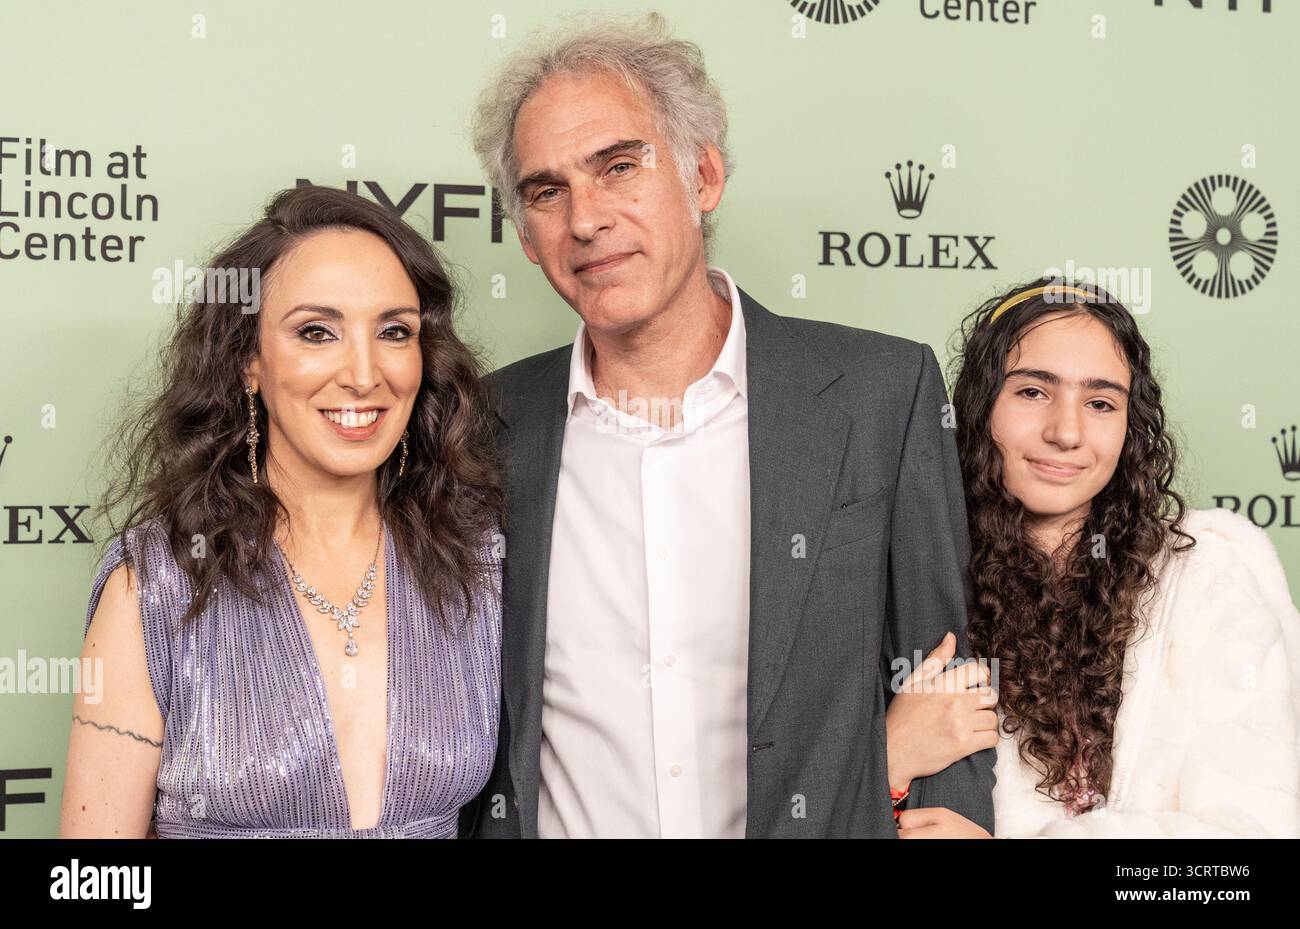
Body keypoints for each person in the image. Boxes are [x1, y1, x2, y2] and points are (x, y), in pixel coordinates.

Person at [459, 12, 995, 838]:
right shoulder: (481, 426)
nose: (587, 218)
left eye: (618, 166)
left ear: (703, 177)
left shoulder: (879, 395)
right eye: (547, 191)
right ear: (527, 236)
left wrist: (955, 816)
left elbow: (942, 661)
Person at [60, 185, 505, 838]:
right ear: (249, 361)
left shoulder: (476, 563)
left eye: (394, 331)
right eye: (316, 331)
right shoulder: (155, 586)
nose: (363, 372)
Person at [884, 278, 1300, 838]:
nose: (1066, 432)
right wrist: (886, 760)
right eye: (1033, 392)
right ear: (980, 406)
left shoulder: (1204, 584)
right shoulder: (904, 579)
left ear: (1130, 429)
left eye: (1101, 403)